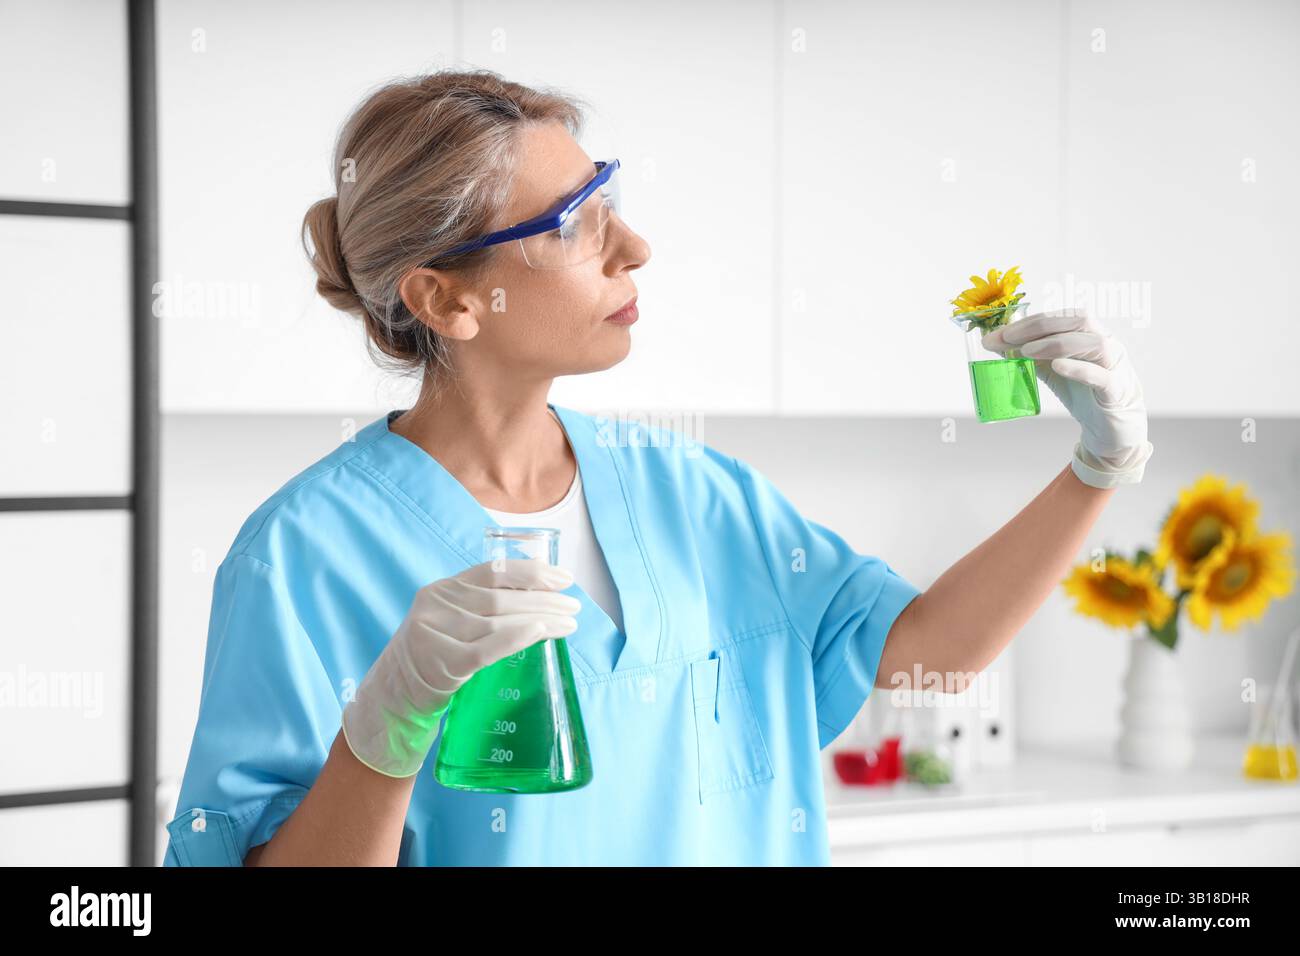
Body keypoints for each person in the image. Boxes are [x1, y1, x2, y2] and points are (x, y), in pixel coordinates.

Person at [163, 69, 1152, 867]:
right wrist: (381, 731)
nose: (634, 246)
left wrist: (1096, 467)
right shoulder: (301, 558)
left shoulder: (692, 494)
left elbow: (925, 648)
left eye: (613, 200)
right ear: (448, 300)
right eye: (576, 222)